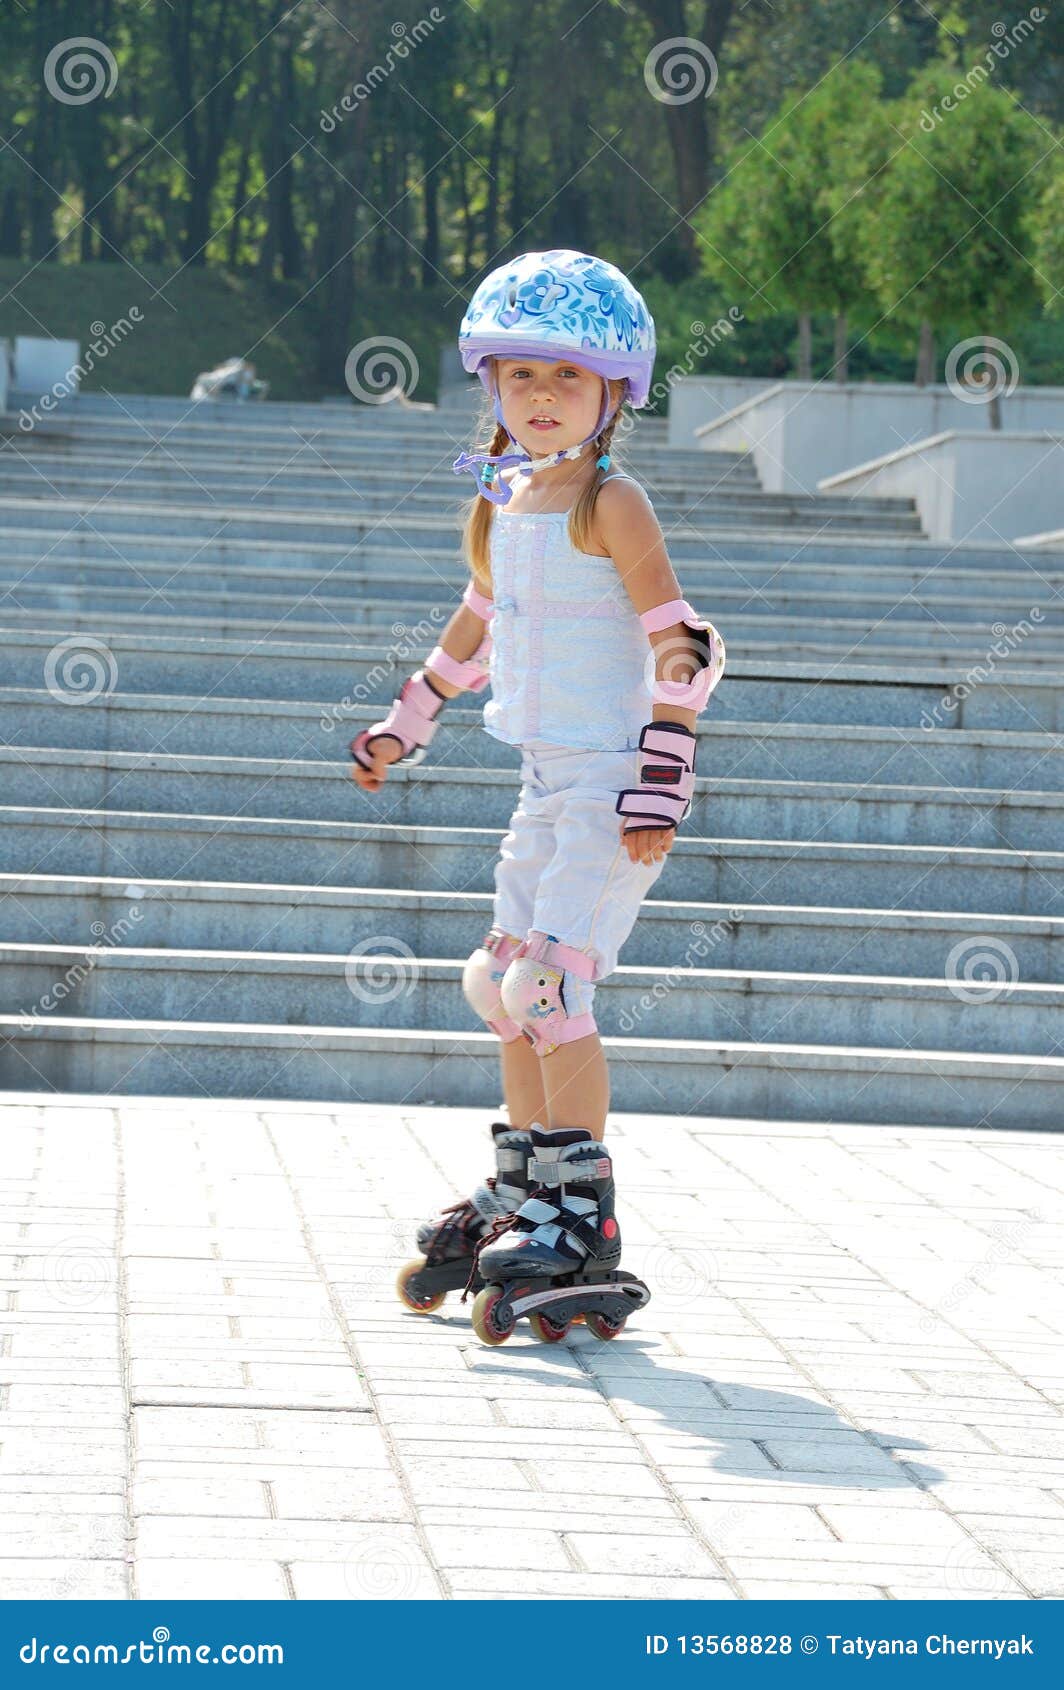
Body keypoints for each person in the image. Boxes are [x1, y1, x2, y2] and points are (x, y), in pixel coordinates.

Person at [349, 249, 725, 1343]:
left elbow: (684, 646)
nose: (541, 397)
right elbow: (478, 626)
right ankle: (524, 1185)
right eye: (520, 378)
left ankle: (581, 1219)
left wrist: (663, 774)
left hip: (612, 779)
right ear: (491, 390)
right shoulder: (505, 498)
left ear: (614, 394)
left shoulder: (610, 502)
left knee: (552, 993)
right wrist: (405, 717)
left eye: (566, 379)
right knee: (498, 981)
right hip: (545, 778)